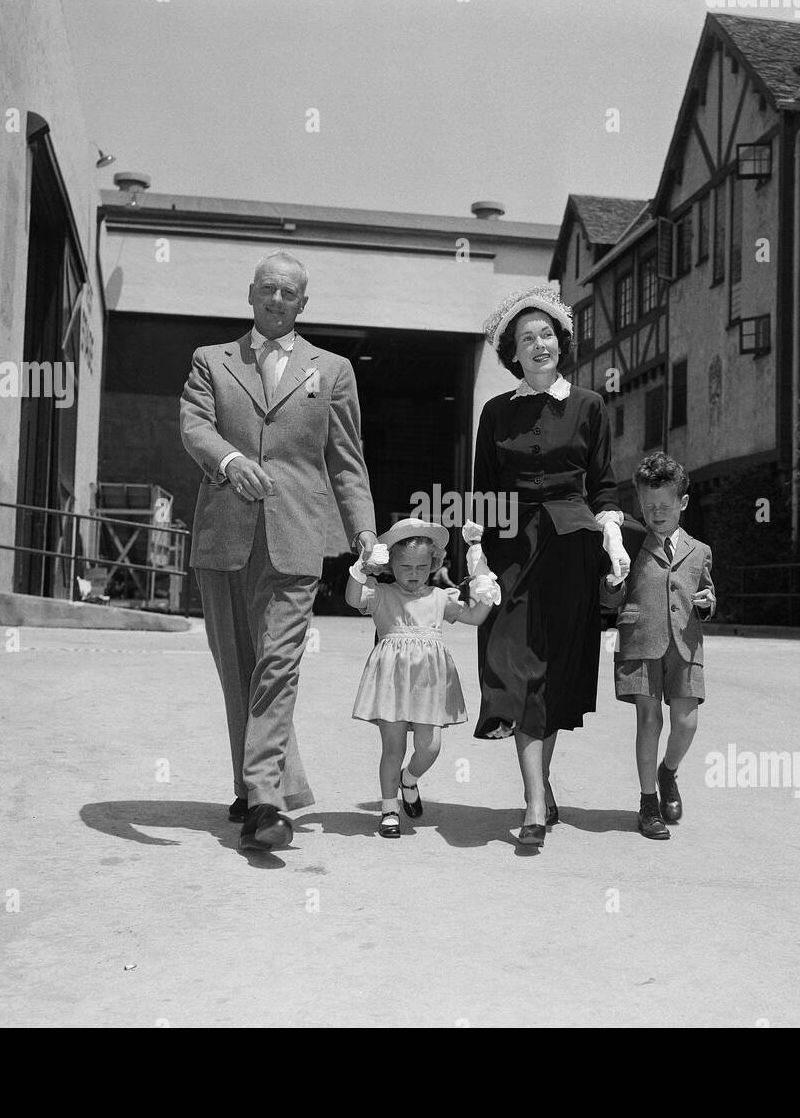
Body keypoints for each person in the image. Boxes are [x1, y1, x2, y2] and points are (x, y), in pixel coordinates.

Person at [180, 250, 378, 852]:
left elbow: (346, 461)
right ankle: (254, 782)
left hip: (296, 536)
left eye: (288, 292)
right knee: (237, 666)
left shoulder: (334, 370)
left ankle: (265, 798)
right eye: (267, 288)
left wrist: (365, 533)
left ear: (303, 303)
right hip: (224, 534)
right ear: (250, 293)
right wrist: (231, 460)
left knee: (278, 665)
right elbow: (195, 426)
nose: (276, 299)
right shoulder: (210, 361)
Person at [472, 285, 631, 848]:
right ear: (512, 353)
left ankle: (536, 795)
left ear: (560, 342)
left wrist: (612, 537)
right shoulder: (495, 413)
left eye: (546, 334)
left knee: (554, 676)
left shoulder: (589, 405)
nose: (538, 344)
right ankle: (537, 803)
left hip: (571, 549)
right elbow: (482, 495)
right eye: (525, 338)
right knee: (514, 667)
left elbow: (605, 483)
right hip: (512, 550)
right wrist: (476, 560)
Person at [346, 518, 498, 838]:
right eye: (405, 566)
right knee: (393, 747)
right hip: (392, 680)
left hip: (428, 683)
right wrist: (360, 566)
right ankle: (390, 809)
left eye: (421, 566)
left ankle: (409, 779)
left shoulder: (440, 597)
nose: (413, 573)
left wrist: (485, 589)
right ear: (391, 566)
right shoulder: (382, 593)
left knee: (430, 746)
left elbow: (474, 616)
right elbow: (352, 598)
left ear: (433, 563)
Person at [600, 453, 715, 840]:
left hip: (685, 644)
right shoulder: (629, 542)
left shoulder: (700, 551)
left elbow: (707, 590)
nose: (657, 513)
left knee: (687, 723)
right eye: (649, 506)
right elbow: (610, 599)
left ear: (683, 503)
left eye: (665, 506)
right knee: (649, 721)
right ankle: (648, 803)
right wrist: (612, 588)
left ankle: (668, 771)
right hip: (641, 642)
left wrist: (708, 602)